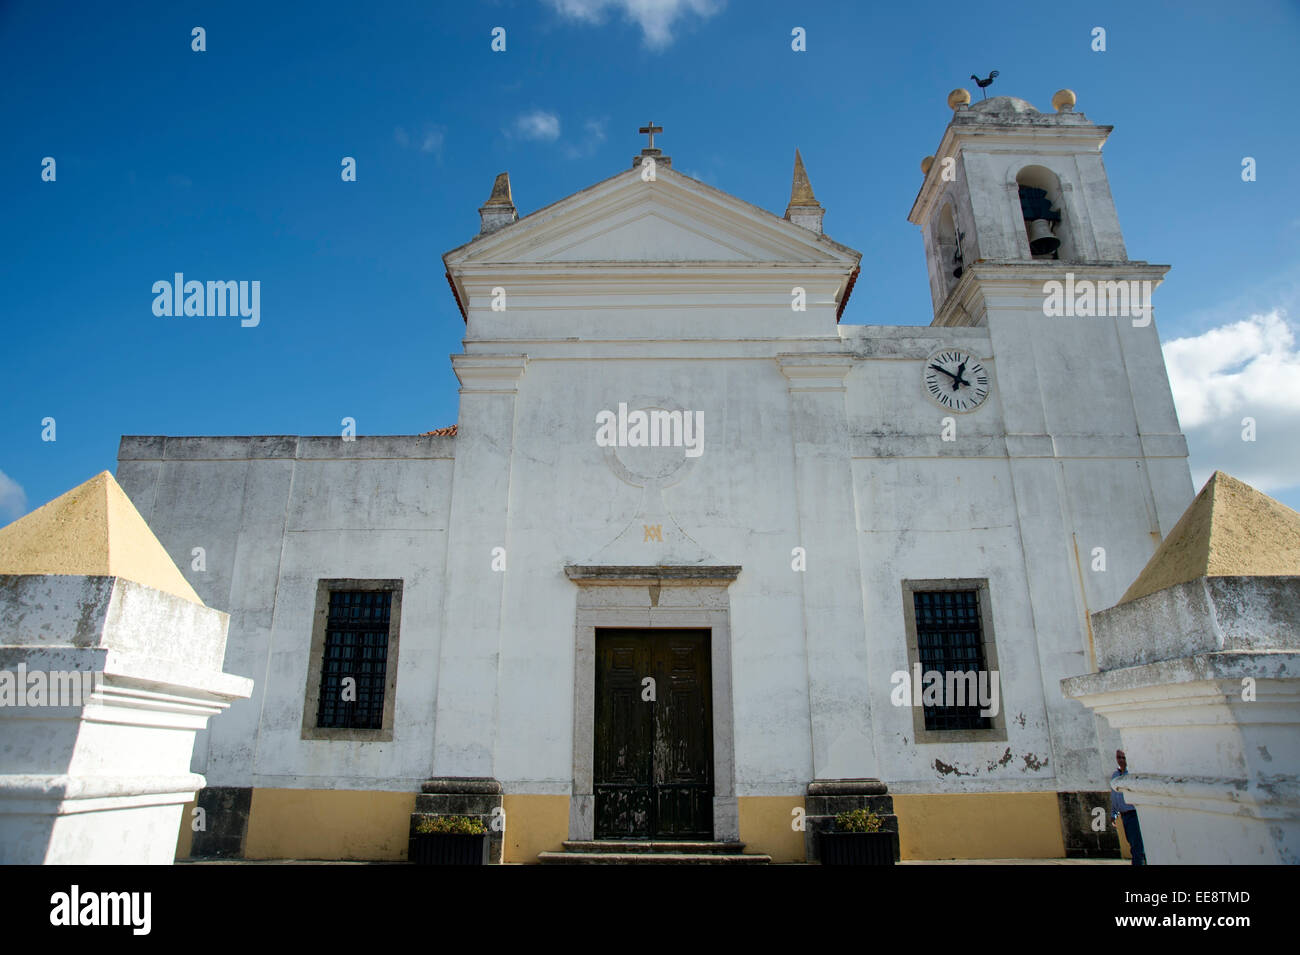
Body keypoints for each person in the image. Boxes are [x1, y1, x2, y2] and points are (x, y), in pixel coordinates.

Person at [1111, 749, 1146, 865]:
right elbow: (1115, 796)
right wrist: (1114, 814)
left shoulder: (1131, 774)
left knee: (1137, 848)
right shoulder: (1115, 775)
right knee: (1133, 845)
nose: (1120, 760)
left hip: (1134, 814)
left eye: (1123, 757)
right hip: (1124, 816)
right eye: (1118, 757)